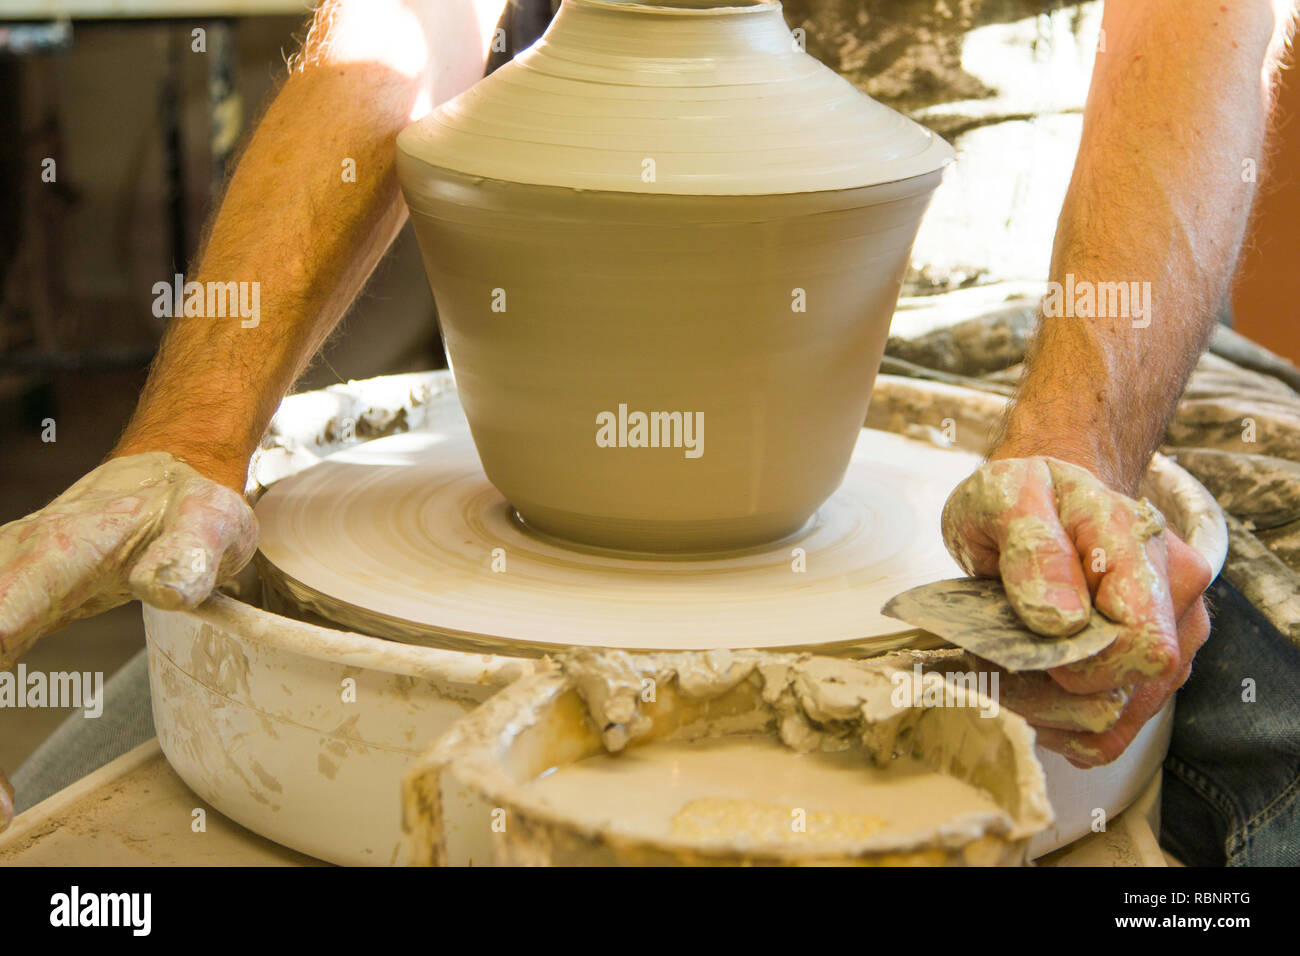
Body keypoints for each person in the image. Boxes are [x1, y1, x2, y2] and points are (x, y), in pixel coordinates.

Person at [1, 0, 1296, 865]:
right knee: (124, 791)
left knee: (1245, 712)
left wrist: (1077, 451)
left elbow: (1197, 37)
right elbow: (402, 31)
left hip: (1045, 286)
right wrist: (193, 442)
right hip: (581, 304)